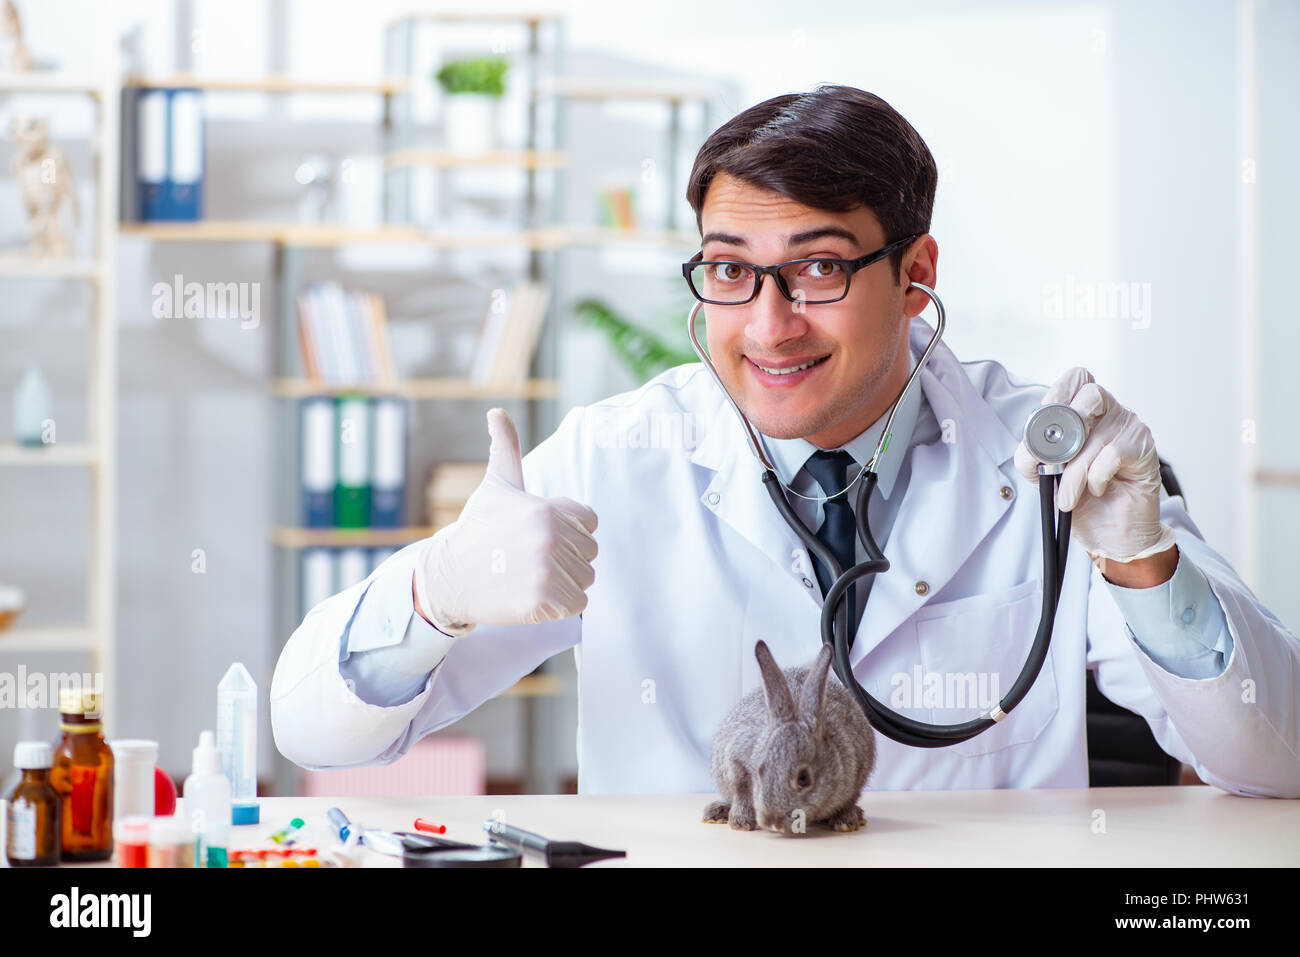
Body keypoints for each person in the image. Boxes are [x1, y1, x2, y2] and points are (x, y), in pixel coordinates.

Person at [270, 85, 1299, 798]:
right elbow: (314, 732)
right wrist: (432, 595)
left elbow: (1273, 760)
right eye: (728, 271)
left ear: (914, 272)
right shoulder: (614, 460)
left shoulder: (1040, 459)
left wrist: (1142, 560)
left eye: (816, 271)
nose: (767, 325)